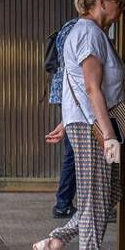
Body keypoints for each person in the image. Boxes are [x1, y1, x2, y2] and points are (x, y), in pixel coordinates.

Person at [32, 0, 125, 250]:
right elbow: (91, 87)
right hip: (95, 127)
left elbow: (80, 85)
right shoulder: (88, 33)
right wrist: (108, 135)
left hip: (90, 124)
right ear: (102, 2)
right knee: (95, 197)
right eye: (119, 3)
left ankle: (55, 242)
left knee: (106, 192)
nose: (122, 10)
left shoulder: (93, 32)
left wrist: (69, 119)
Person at [46, 16, 79, 218]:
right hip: (69, 95)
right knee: (73, 151)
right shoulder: (79, 29)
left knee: (73, 151)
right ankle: (63, 203)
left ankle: (64, 202)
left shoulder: (69, 26)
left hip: (65, 93)